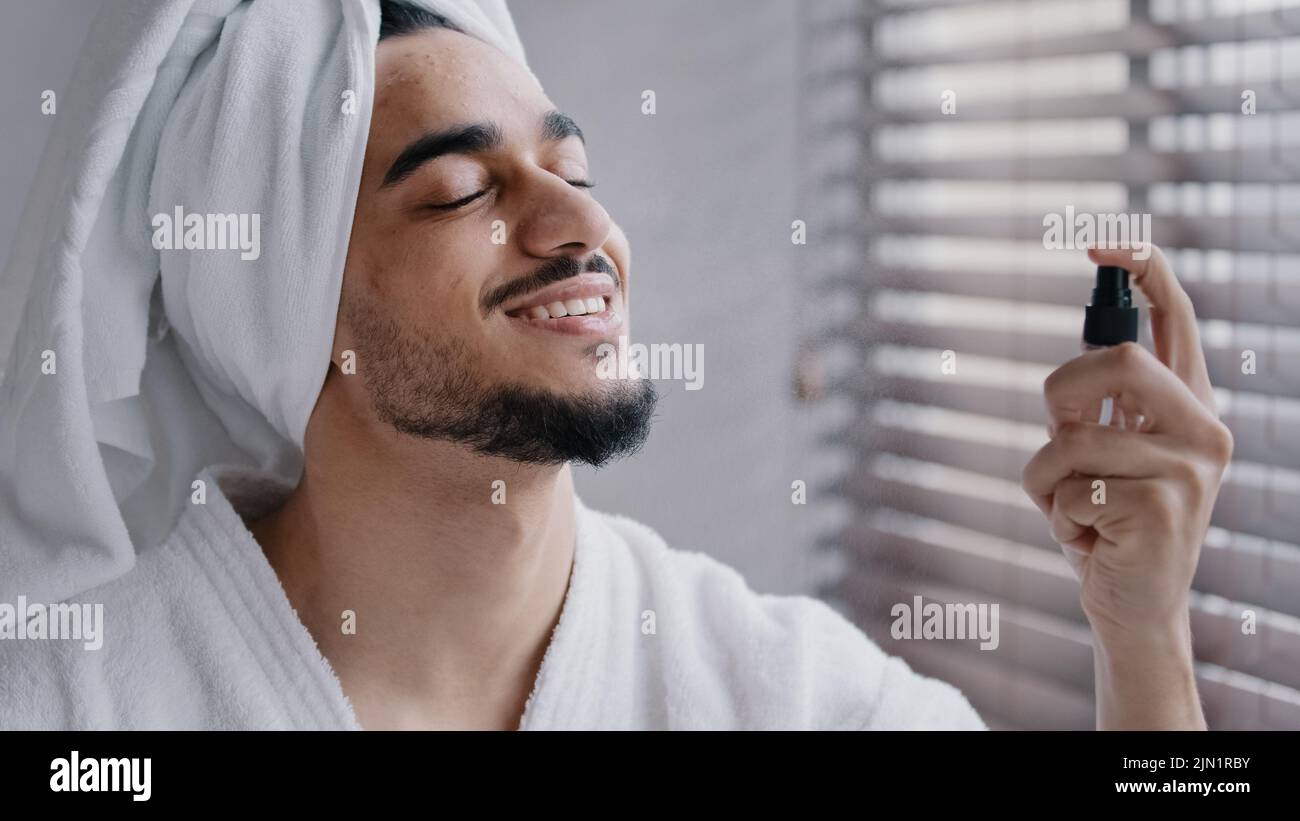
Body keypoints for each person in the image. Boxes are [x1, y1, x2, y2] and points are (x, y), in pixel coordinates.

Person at [0, 0, 1231, 731]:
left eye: (575, 173)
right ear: (285, 307)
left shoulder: (784, 693)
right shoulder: (79, 708)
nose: (577, 226)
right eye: (461, 189)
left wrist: (1143, 640)